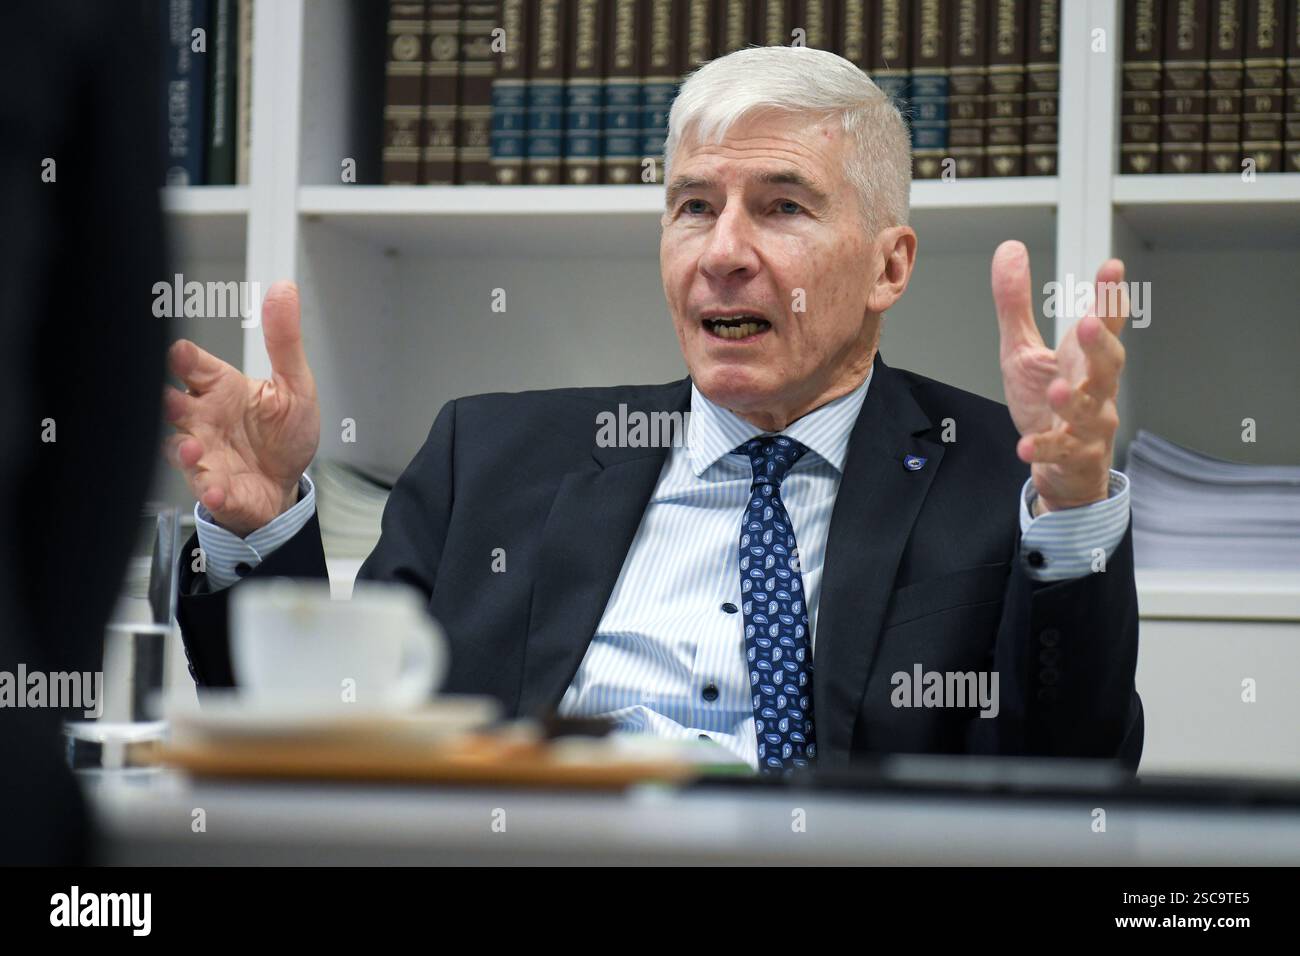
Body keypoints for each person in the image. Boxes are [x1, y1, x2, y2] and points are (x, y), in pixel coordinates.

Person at [164, 46, 1141, 773]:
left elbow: (1076, 772)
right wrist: (259, 526)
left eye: (783, 207)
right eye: (691, 206)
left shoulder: (1000, 478)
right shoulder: (489, 458)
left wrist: (1072, 509)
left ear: (889, 264)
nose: (722, 250)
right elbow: (325, 745)